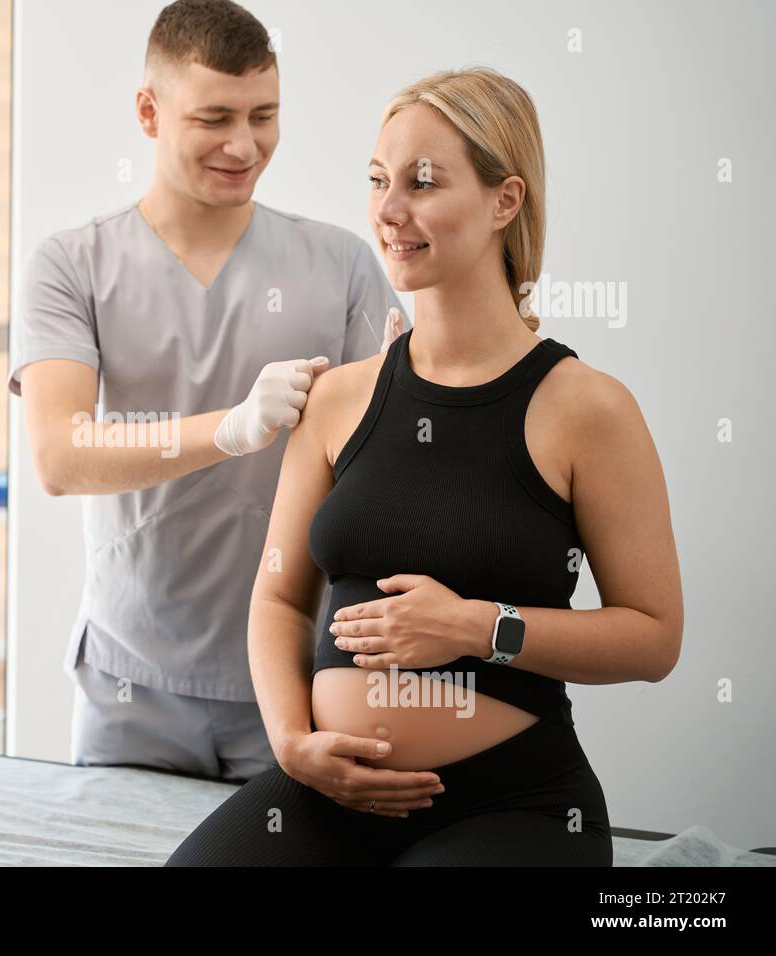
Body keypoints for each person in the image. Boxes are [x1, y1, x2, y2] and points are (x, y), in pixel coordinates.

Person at [166, 66, 684, 864]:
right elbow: (276, 596)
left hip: (511, 800)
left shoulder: (587, 408)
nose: (388, 210)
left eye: (422, 182)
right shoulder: (336, 399)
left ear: (504, 202)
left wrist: (479, 627)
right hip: (329, 787)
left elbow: (653, 638)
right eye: (378, 181)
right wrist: (292, 740)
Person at [6, 0, 407, 782]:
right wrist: (232, 429)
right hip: (132, 680)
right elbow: (60, 457)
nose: (244, 144)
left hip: (293, 675)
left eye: (265, 115)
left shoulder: (343, 265)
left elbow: (382, 480)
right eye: (214, 117)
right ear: (149, 113)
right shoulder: (70, 266)